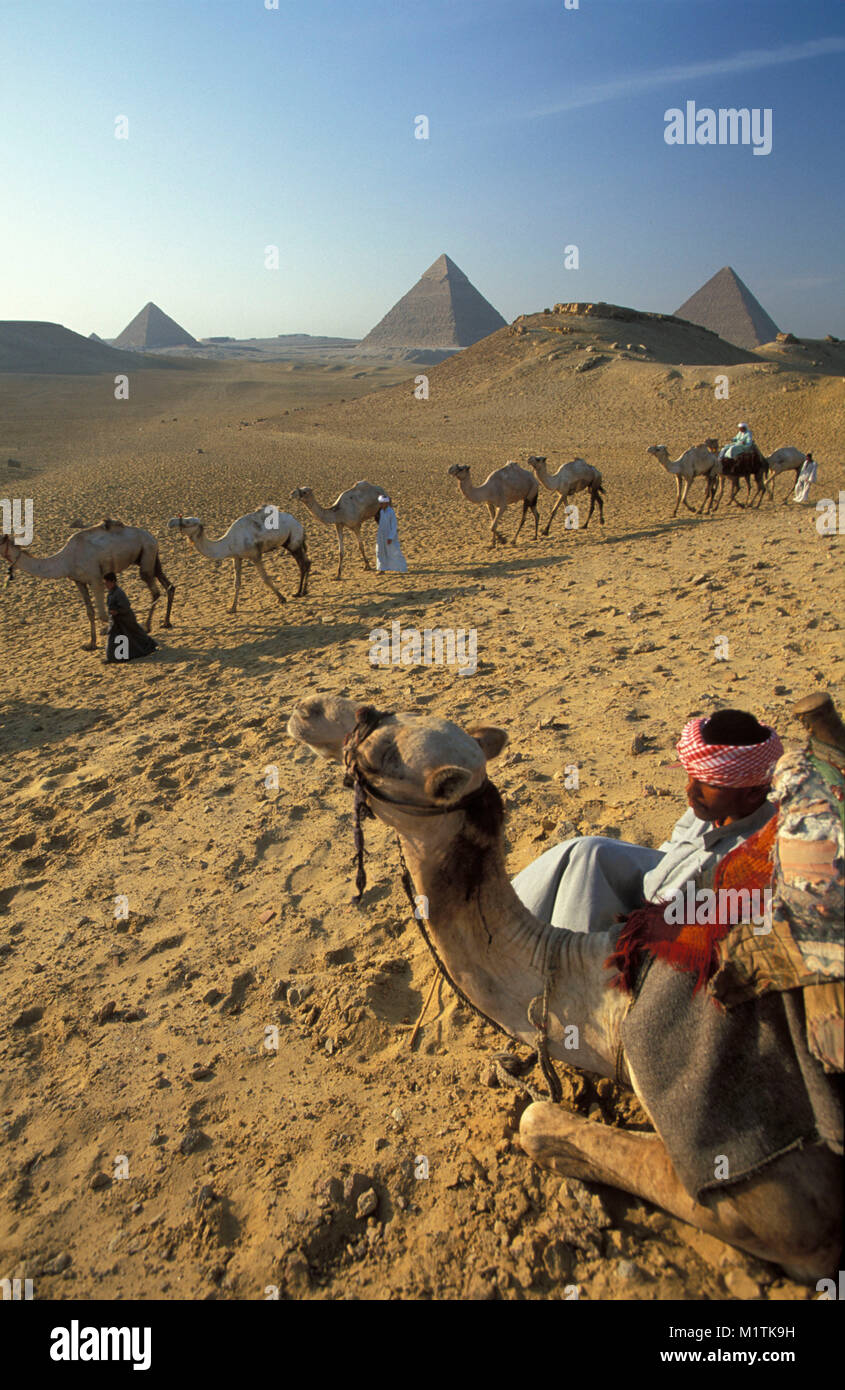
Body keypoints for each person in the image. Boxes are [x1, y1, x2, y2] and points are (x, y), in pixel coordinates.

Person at [512, 709, 783, 934]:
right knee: (586, 852)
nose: (690, 791)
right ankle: (502, 929)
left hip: (671, 925)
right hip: (655, 880)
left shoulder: (759, 851)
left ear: (752, 793)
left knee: (577, 923)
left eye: (706, 784)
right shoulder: (711, 811)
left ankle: (564, 967)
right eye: (690, 778)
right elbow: (672, 850)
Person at [104, 572, 158, 663]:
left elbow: (126, 606)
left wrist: (117, 611)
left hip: (125, 620)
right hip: (116, 621)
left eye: (106, 583)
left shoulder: (119, 593)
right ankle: (114, 658)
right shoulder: (111, 592)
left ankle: (150, 647)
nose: (105, 585)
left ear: (113, 582)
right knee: (117, 639)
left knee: (135, 636)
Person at [375, 495, 407, 574]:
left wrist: (390, 537)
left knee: (394, 551)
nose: (381, 505)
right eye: (380, 503)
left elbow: (394, 526)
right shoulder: (381, 511)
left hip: (389, 535)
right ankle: (381, 569)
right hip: (381, 534)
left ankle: (401, 568)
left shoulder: (391, 512)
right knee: (380, 551)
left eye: (382, 503)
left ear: (386, 503)